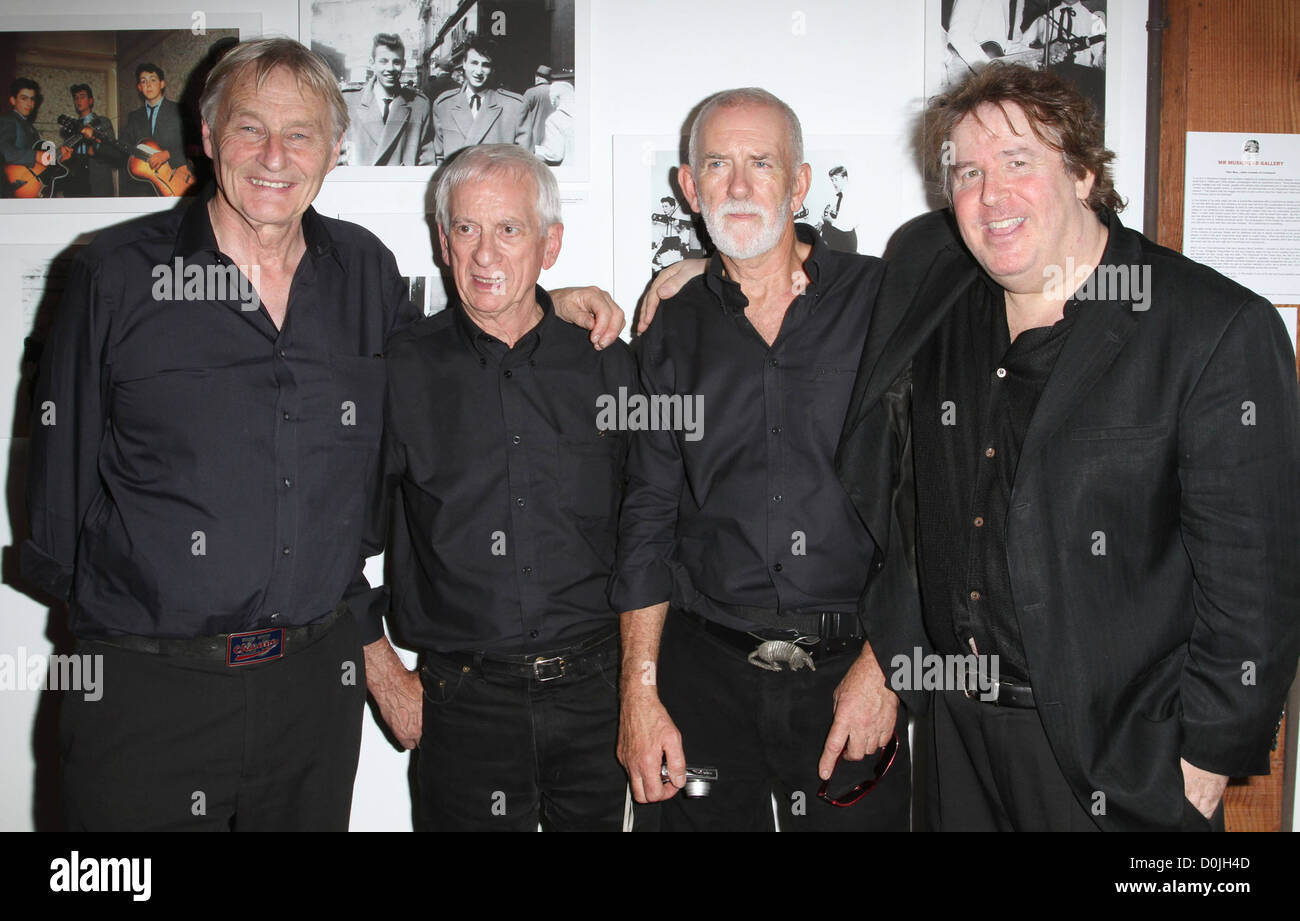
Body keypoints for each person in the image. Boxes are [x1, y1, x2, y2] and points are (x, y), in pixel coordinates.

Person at [22, 37, 626, 832]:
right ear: (207, 137)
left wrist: (551, 301)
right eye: (250, 129)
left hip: (309, 693)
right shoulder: (114, 275)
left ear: (335, 150)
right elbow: (53, 500)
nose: (275, 156)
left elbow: (463, 363)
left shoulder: (365, 275)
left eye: (301, 133)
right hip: (148, 690)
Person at [834, 63, 1300, 831]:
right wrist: (702, 270)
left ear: (1084, 173)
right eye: (968, 172)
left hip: (1124, 757)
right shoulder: (935, 280)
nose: (990, 195)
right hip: (959, 748)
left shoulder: (1210, 328)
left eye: (1019, 162)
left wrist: (1207, 759)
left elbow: (1258, 580)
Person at [612, 88, 910, 831]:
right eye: (717, 164)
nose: (739, 186)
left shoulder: (886, 302)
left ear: (800, 182)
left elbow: (928, 497)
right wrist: (639, 693)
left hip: (852, 671)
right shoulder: (670, 330)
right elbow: (646, 518)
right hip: (703, 677)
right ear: (689, 186)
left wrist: (886, 666)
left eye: (761, 163)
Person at [363, 144, 637, 831]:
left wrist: (648, 687)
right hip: (461, 700)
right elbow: (327, 538)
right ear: (440, 239)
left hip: (602, 694)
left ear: (551, 244)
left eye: (509, 230)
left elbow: (657, 532)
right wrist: (384, 675)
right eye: (466, 228)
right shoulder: (399, 370)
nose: (485, 255)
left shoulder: (607, 366)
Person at [432, 35, 527, 165]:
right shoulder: (444, 105)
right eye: (474, 63)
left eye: (485, 65)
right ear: (464, 64)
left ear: (493, 69)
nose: (479, 71)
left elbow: (525, 162)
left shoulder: (514, 107)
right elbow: (438, 157)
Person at [342, 33, 435, 166]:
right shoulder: (349, 103)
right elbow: (336, 158)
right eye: (383, 61)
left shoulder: (419, 105)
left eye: (396, 62)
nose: (390, 68)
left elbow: (427, 162)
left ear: (403, 64)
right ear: (372, 63)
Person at [121, 63, 191, 196]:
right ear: (139, 88)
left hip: (176, 184)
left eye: (153, 79)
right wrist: (97, 141)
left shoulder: (179, 110)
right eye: (143, 81)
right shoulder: (133, 117)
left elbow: (194, 145)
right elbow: (121, 150)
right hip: (143, 189)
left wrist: (168, 154)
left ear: (162, 84)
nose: (148, 85)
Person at [1, 78, 57, 197]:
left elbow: (40, 165)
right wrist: (35, 155)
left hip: (29, 186)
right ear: (12, 100)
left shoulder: (30, 128)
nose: (29, 103)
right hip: (11, 185)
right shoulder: (8, 120)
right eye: (24, 98)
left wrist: (60, 157)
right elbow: (5, 151)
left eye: (32, 99)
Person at [60, 84, 119, 197]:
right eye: (76, 98)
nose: (78, 100)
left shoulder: (103, 122)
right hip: (76, 181)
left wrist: (96, 148)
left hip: (98, 180)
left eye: (82, 97)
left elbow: (112, 150)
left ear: (91, 101)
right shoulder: (70, 127)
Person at [817, 165, 858, 253]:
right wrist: (821, 222)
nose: (833, 183)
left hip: (846, 242)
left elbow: (850, 224)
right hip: (835, 240)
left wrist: (830, 221)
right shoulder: (837, 197)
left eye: (836, 179)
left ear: (845, 179)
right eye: (832, 180)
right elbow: (830, 213)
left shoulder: (852, 197)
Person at [535, 80, 574, 166]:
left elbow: (554, 155)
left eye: (552, 99)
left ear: (557, 97)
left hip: (567, 171)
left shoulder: (555, 119)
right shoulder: (585, 113)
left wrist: (533, 149)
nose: (552, 103)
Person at [520, 64, 554, 149]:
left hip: (535, 141)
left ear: (537, 77)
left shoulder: (531, 92)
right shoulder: (556, 92)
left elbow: (520, 115)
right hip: (553, 139)